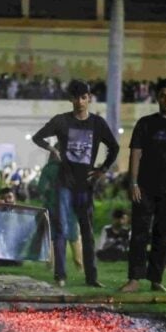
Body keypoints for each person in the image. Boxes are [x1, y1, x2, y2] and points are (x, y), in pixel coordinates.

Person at [32, 79, 119, 288]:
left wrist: (102, 170)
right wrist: (52, 149)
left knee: (87, 231)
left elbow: (114, 148)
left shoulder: (97, 123)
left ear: (89, 98)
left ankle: (91, 277)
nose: (80, 102)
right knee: (60, 230)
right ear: (70, 99)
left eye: (84, 97)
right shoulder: (61, 121)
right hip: (64, 183)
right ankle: (60, 275)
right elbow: (37, 137)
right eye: (76, 97)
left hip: (85, 185)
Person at [120, 79, 166, 293]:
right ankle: (134, 279)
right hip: (144, 187)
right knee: (139, 233)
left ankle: (156, 279)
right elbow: (135, 152)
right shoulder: (145, 123)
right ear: (157, 98)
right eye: (163, 95)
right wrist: (132, 182)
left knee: (163, 234)